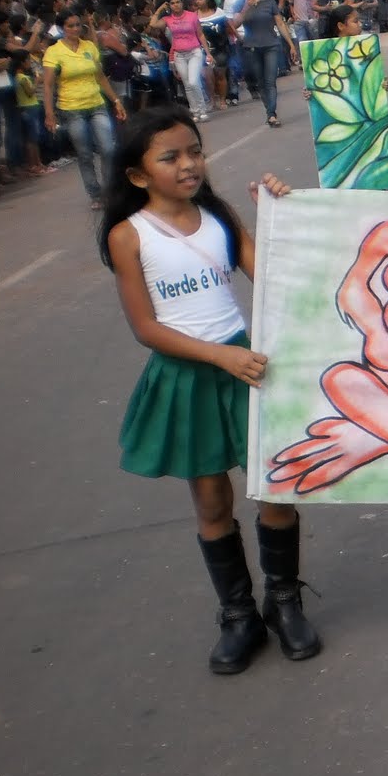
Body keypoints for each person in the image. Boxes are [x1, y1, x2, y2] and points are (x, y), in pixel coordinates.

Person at [97, 106, 320, 674]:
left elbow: (272, 273)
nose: (189, 164)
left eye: (193, 151)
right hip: (191, 374)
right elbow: (147, 327)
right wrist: (219, 354)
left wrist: (276, 212)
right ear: (137, 175)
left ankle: (284, 601)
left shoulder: (219, 218)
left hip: (247, 366)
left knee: (277, 488)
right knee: (213, 500)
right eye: (170, 157)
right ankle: (239, 614)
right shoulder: (130, 236)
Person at [42, 11, 128, 209]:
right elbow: (48, 85)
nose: (75, 29)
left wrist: (115, 100)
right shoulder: (54, 52)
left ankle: (109, 190)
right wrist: (49, 113)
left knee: (108, 148)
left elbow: (100, 77)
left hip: (96, 104)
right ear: (62, 28)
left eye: (78, 25)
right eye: (70, 25)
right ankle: (95, 194)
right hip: (71, 109)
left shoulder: (89, 47)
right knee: (85, 153)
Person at [226, 0, 298, 128]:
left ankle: (272, 114)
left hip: (271, 44)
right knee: (261, 82)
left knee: (270, 80)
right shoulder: (240, 3)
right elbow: (234, 24)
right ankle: (269, 111)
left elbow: (279, 23)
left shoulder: (269, 1)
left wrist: (291, 44)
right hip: (252, 47)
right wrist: (246, 8)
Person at [148, 0, 212, 123]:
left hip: (194, 52)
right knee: (187, 84)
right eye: (172, 3)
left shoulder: (192, 16)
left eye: (178, 2)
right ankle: (195, 111)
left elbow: (200, 34)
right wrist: (160, 9)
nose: (176, 5)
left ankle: (203, 109)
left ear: (182, 3)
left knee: (194, 81)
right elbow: (153, 24)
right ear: (169, 6)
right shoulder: (167, 19)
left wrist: (208, 53)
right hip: (179, 54)